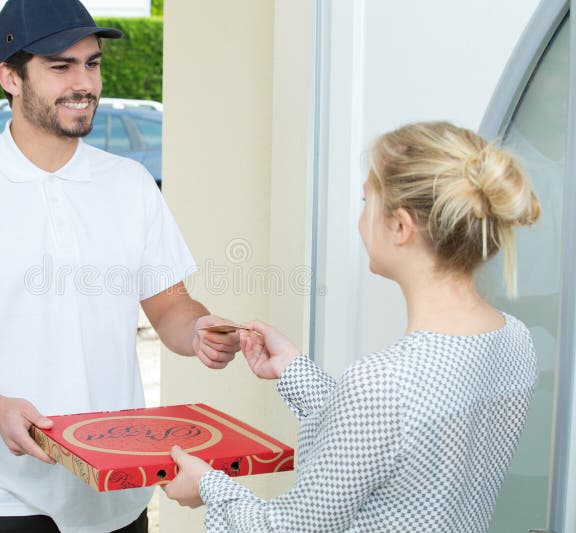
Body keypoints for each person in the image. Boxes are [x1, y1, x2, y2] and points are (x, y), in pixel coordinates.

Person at [0, 0, 240, 531]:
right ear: (10, 77)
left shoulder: (130, 185)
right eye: (61, 66)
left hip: (116, 489)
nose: (84, 83)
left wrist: (200, 331)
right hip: (1, 494)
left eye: (92, 64)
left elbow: (170, 306)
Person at [163, 121, 541, 532]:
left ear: (400, 227)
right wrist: (293, 370)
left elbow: (289, 529)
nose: (360, 220)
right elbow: (397, 440)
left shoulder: (382, 384)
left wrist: (209, 486)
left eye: (366, 200)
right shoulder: (515, 338)